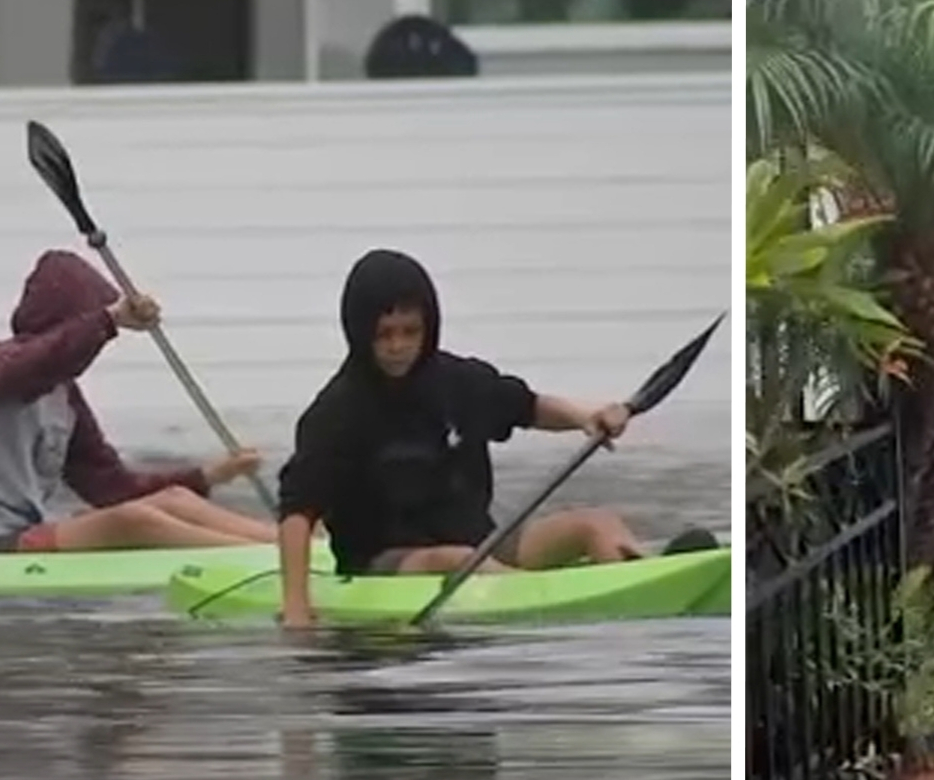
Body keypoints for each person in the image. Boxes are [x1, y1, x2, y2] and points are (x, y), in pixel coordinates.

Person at [275, 248, 658, 630]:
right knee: (455, 560)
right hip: (386, 565)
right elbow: (297, 512)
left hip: (482, 544)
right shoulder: (337, 411)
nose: (398, 346)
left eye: (411, 332)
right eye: (384, 335)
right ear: (359, 333)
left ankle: (652, 577)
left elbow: (529, 407)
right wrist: (296, 609)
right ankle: (560, 600)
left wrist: (587, 417)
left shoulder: (459, 381)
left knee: (594, 522)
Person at [0, 250, 279, 553]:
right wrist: (108, 319)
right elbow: (39, 362)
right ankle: (271, 562)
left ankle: (293, 544)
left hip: (30, 529)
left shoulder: (64, 398)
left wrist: (210, 474)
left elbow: (111, 487)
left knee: (174, 499)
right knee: (133, 520)